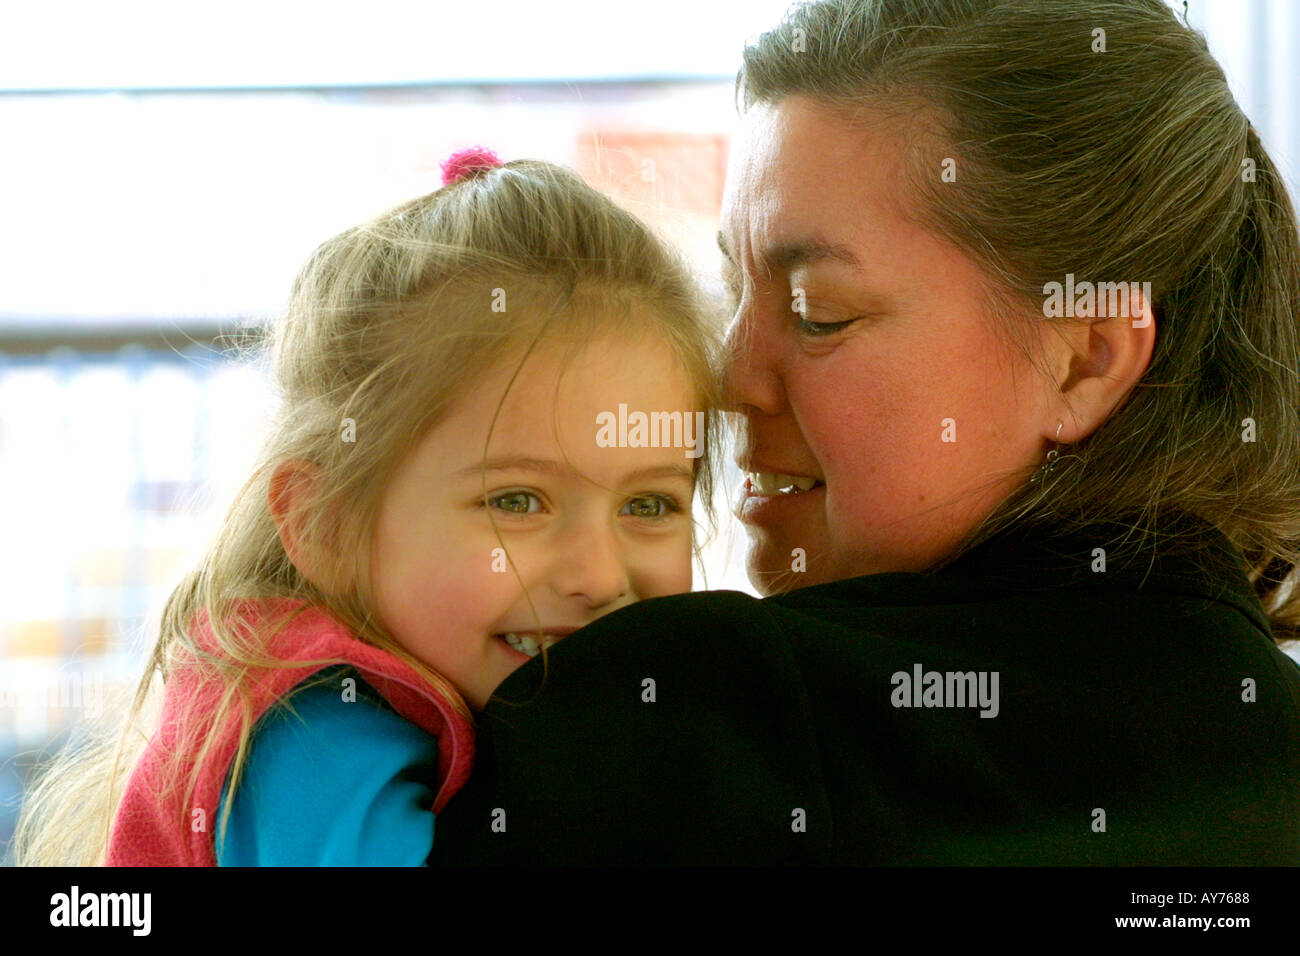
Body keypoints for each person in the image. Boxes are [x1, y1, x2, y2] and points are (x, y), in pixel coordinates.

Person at [429, 0, 1300, 865]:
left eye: (818, 313)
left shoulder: (696, 719)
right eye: (733, 295)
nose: (730, 383)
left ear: (1084, 361)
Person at [13, 149, 724, 866]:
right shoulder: (316, 732)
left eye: (649, 503)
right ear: (327, 525)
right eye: (517, 500)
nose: (599, 576)